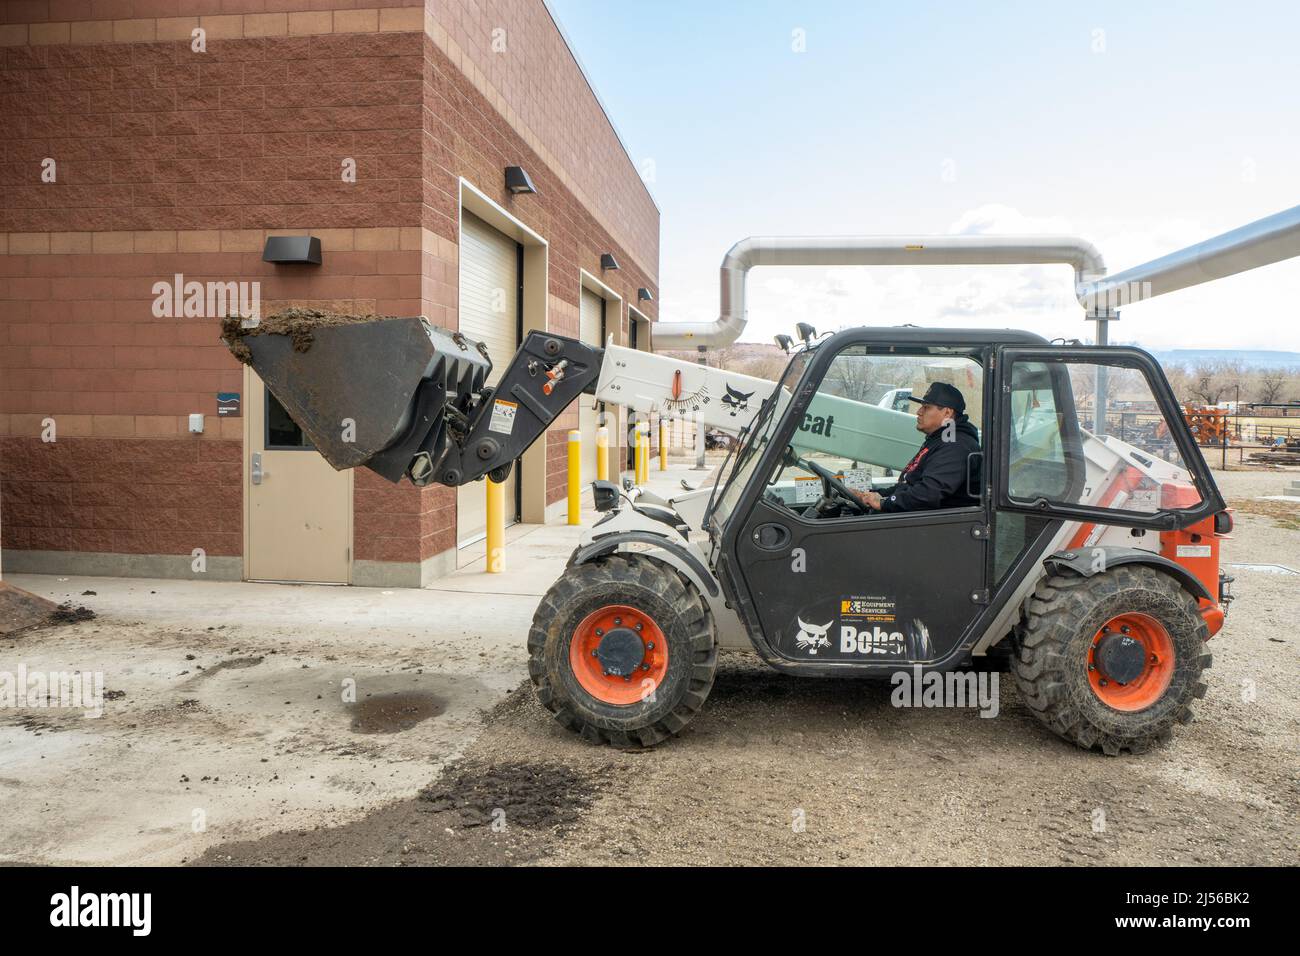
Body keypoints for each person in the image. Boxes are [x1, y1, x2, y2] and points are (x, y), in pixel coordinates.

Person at [853, 382, 980, 513]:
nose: (919, 412)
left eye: (926, 407)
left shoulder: (955, 445)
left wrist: (884, 503)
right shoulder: (941, 439)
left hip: (939, 527)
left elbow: (928, 494)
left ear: (947, 413)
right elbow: (909, 485)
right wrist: (872, 493)